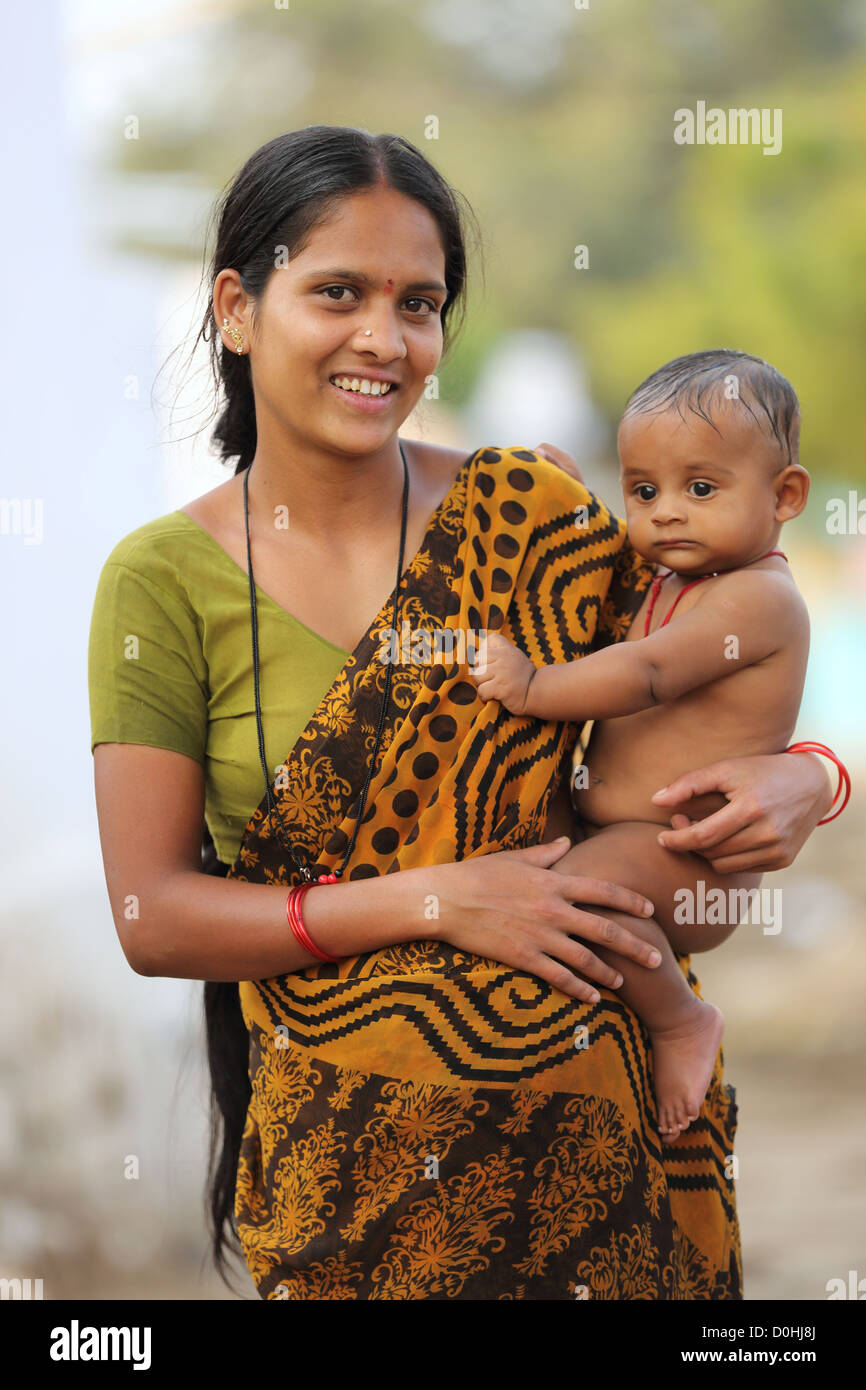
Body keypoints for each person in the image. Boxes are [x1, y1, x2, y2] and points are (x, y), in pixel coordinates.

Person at [88, 127, 838, 1301]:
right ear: (237, 307)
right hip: (348, 1197)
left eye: (419, 302)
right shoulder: (162, 580)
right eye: (337, 291)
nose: (384, 340)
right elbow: (154, 918)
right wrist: (441, 898)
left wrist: (813, 774)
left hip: (617, 1175)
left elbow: (711, 661)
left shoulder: (530, 517)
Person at [470, 349, 843, 1143]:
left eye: (700, 489)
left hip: (687, 857)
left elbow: (644, 672)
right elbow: (604, 567)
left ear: (786, 495)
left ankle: (680, 1019)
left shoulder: (758, 601)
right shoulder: (682, 578)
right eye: (644, 490)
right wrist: (563, 497)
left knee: (567, 899)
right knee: (515, 859)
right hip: (626, 833)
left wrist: (533, 687)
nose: (665, 512)